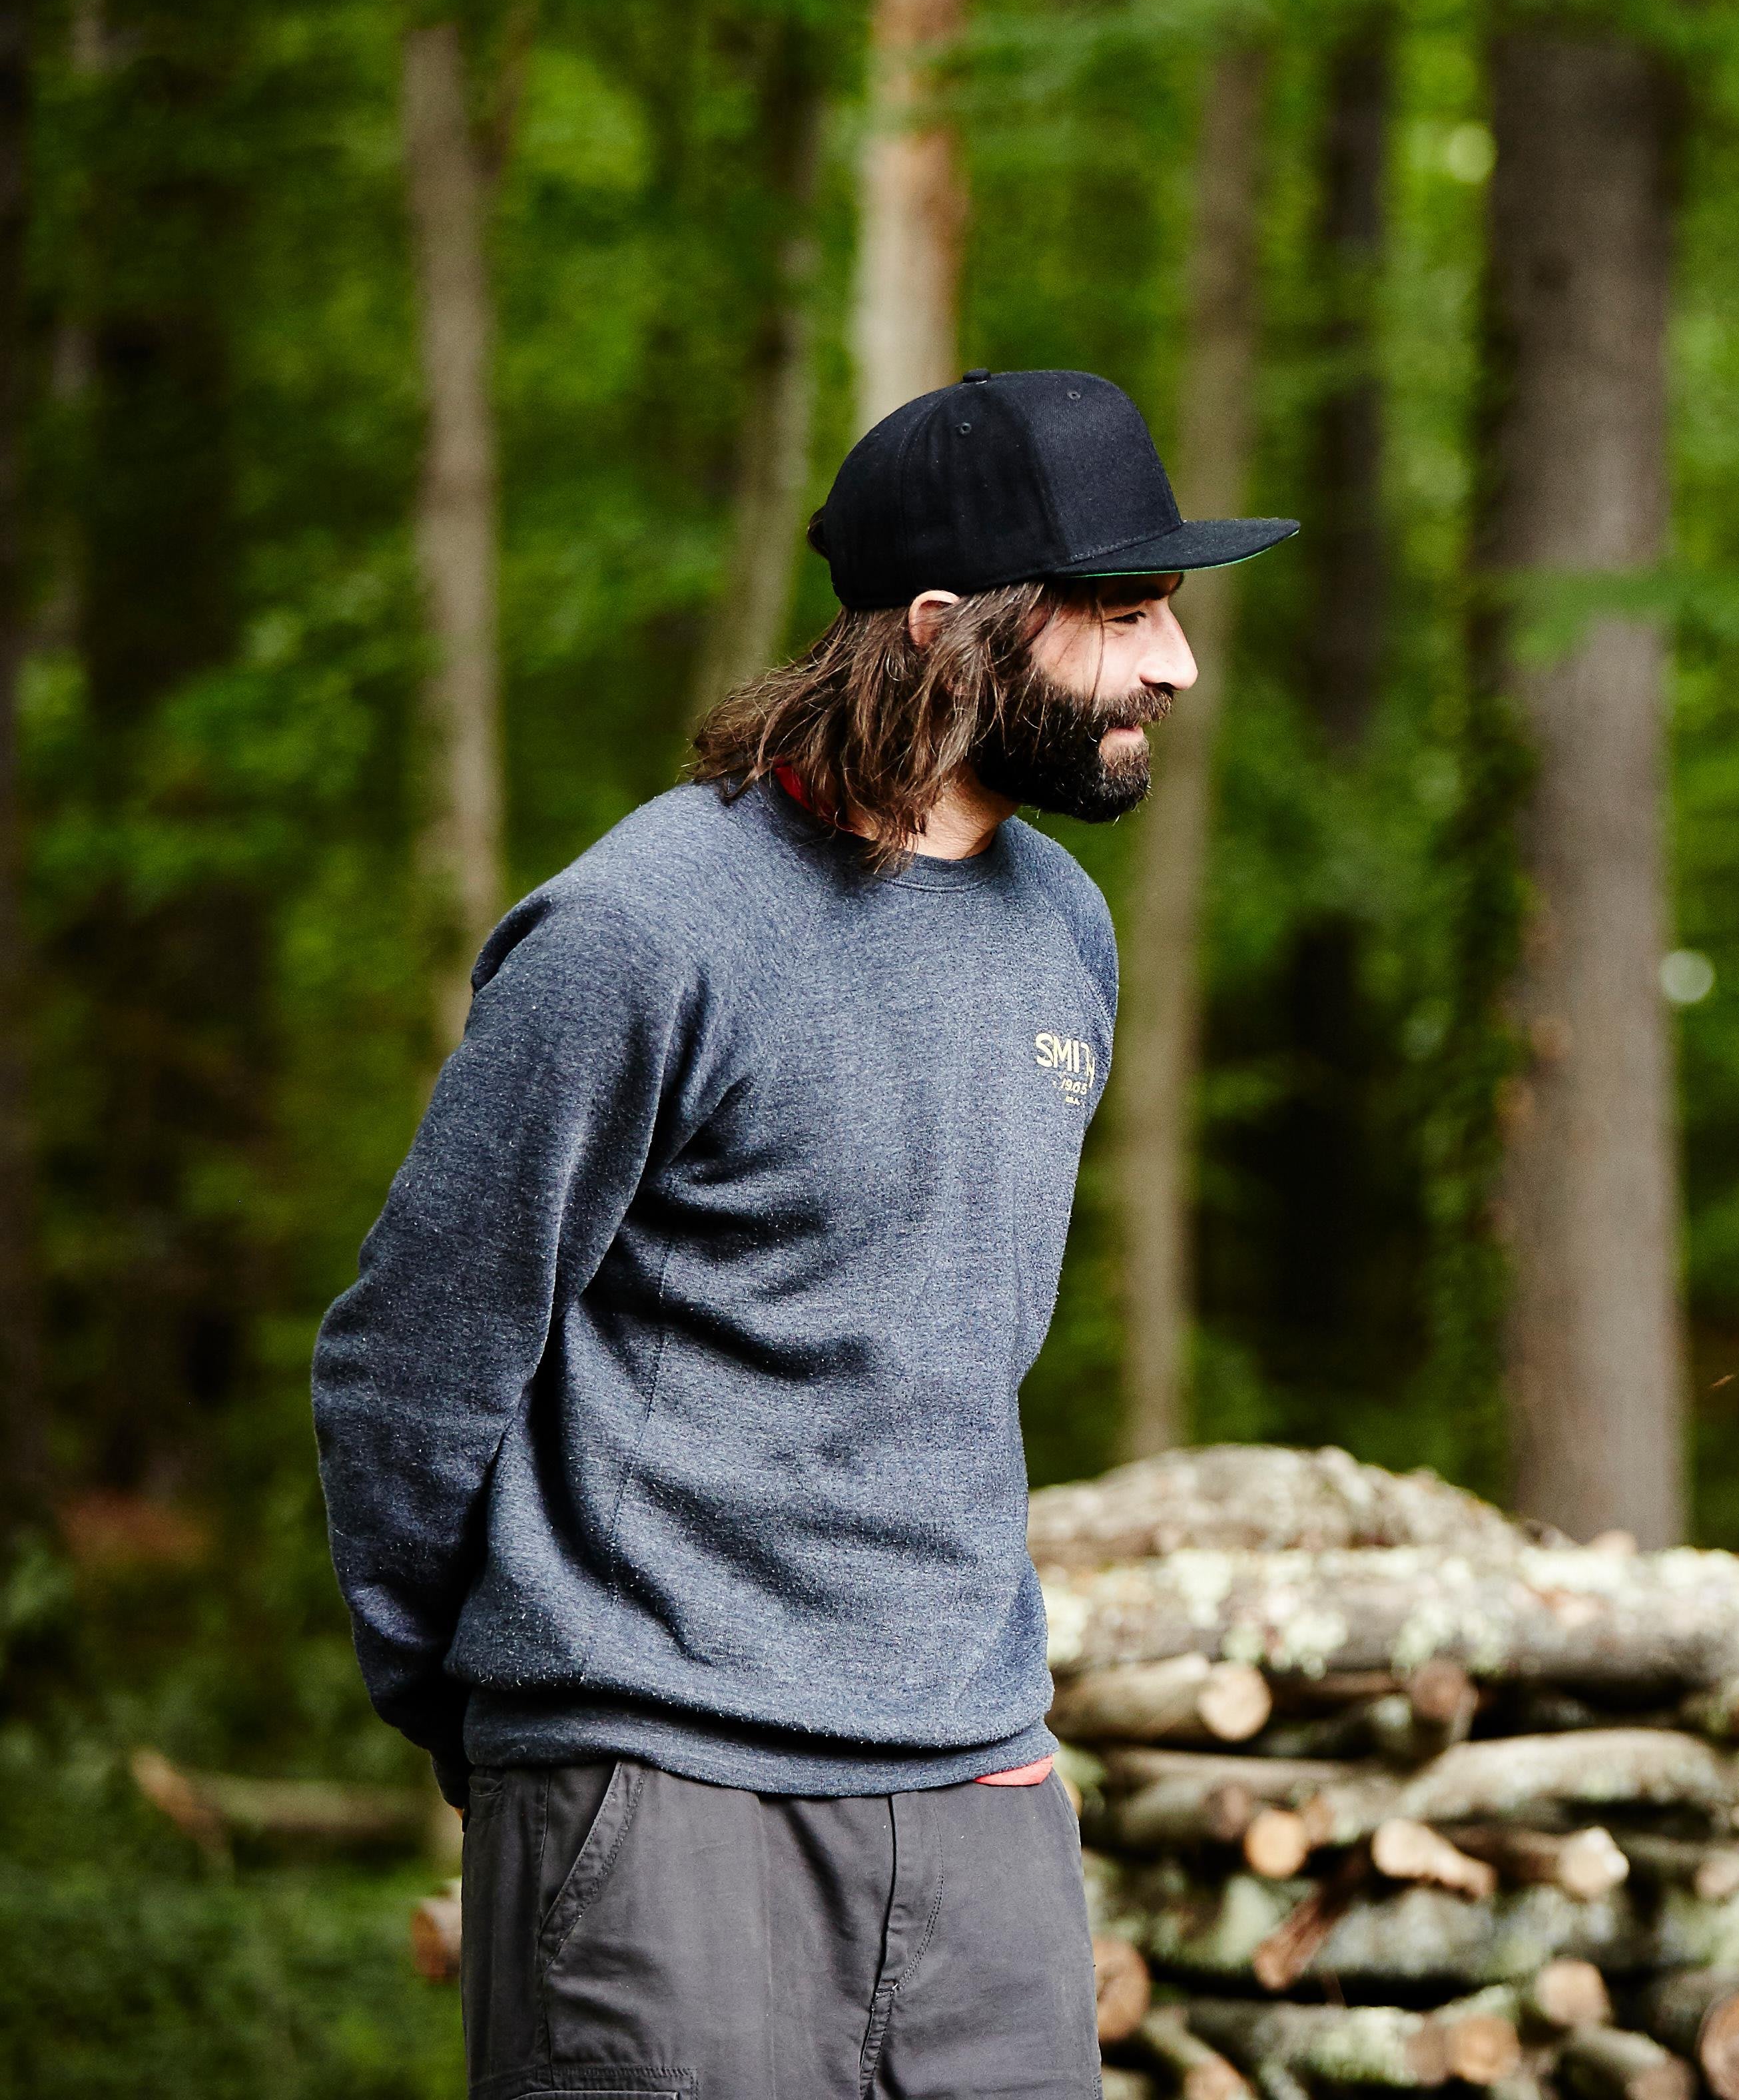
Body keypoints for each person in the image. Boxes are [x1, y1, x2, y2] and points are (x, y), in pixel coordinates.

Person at [312, 368, 1293, 2100]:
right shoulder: (642, 934)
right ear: (941, 631)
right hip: (659, 1786)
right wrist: (511, 1714)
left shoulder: (1061, 927)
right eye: (1127, 614)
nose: (1175, 666)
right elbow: (409, 1362)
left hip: (979, 1790)